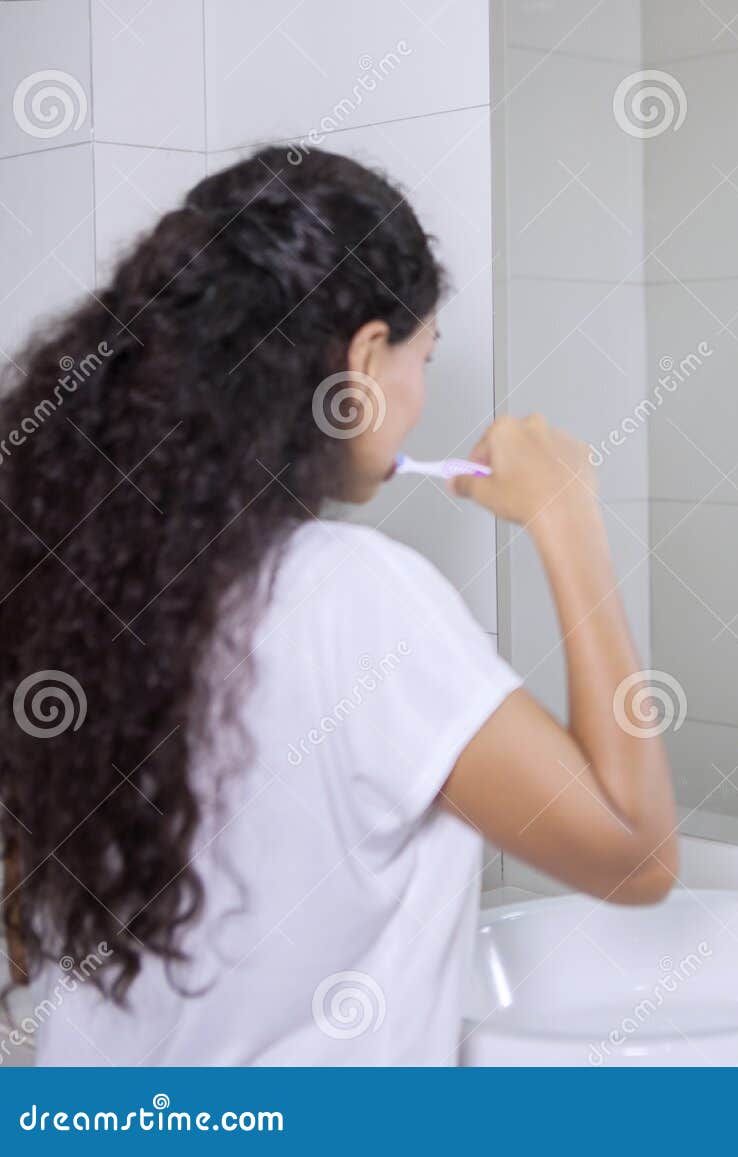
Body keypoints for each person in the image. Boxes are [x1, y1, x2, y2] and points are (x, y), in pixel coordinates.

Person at [0, 147, 678, 1063]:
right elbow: (635, 855)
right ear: (362, 361)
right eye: (423, 356)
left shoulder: (76, 578)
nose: (422, 396)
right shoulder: (352, 594)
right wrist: (569, 522)